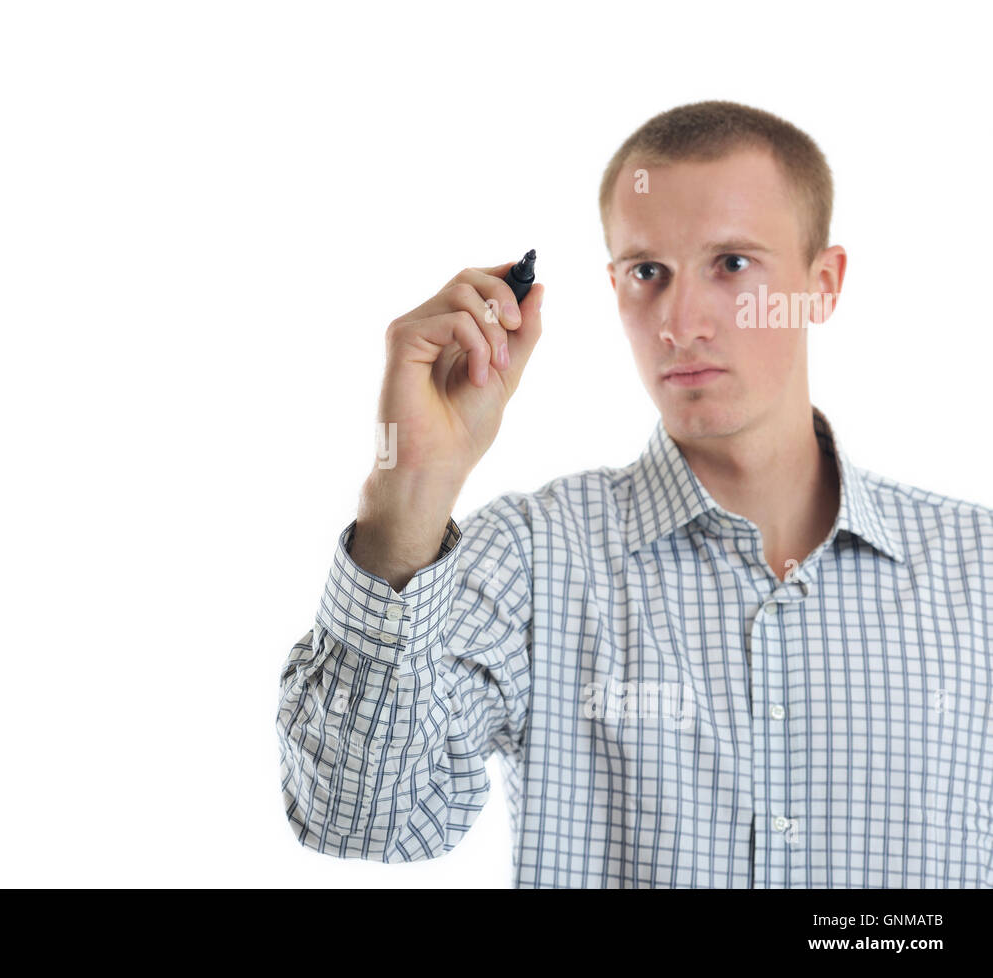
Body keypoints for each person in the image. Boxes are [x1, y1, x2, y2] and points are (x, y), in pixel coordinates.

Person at [275, 100, 993, 887]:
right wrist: (405, 489)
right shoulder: (534, 557)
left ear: (822, 285)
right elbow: (359, 819)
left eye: (733, 265)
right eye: (648, 273)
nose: (681, 324)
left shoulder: (979, 572)